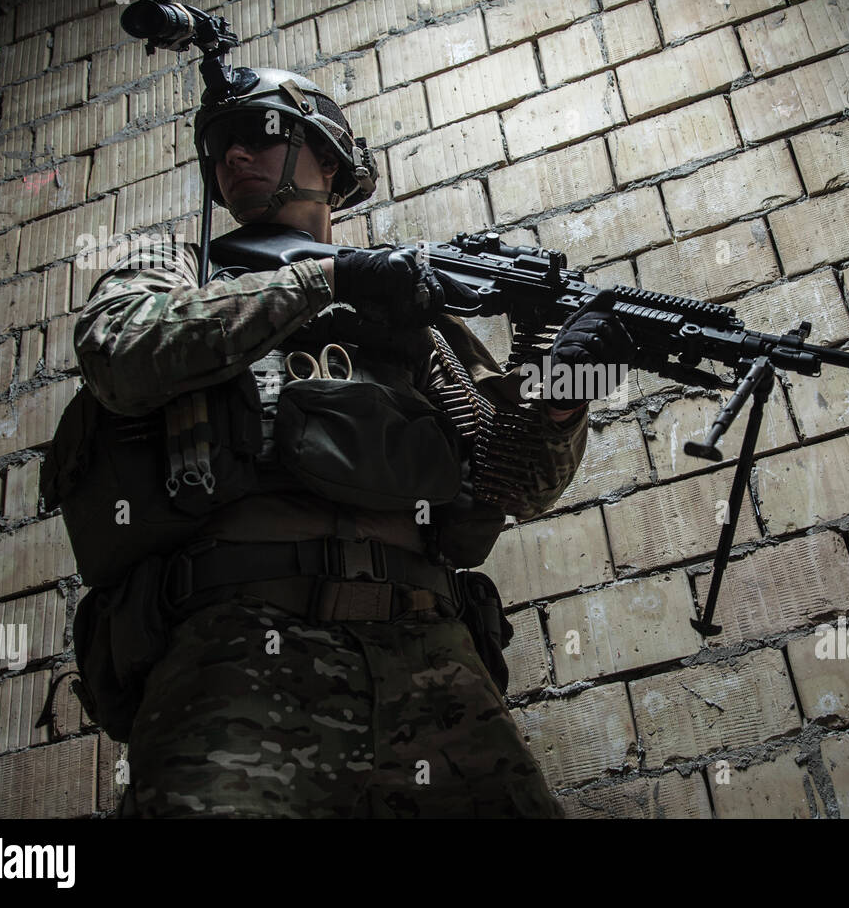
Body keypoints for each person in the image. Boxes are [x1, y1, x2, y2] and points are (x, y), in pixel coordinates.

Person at [70, 68, 635, 817]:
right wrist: (324, 279)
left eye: (259, 136)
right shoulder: (181, 270)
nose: (232, 157)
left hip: (433, 651)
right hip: (238, 645)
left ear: (327, 159)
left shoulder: (408, 312)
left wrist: (561, 402)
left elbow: (510, 482)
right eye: (220, 147)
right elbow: (120, 349)